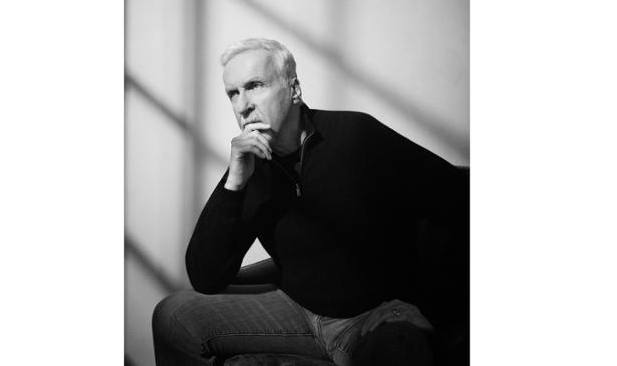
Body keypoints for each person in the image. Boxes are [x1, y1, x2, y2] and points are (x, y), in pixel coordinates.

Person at [152, 38, 465, 365]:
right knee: (173, 317)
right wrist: (234, 182)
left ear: (294, 90)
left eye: (255, 86)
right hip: (297, 309)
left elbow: (460, 198)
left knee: (399, 345)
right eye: (233, 93)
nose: (242, 105)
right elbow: (205, 276)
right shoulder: (250, 168)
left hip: (369, 318)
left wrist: (432, 307)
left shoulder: (355, 136)